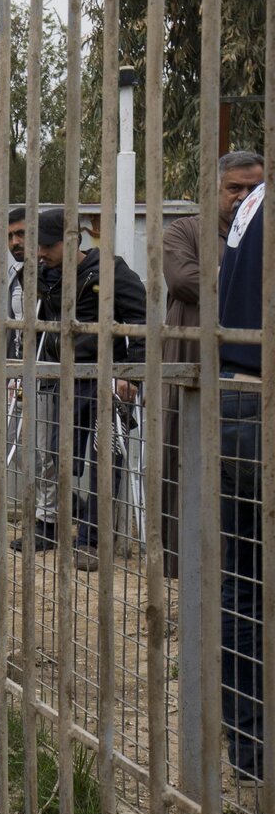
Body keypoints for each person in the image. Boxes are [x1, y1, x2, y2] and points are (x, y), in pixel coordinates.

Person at [162, 150, 264, 576]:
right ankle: (188, 573)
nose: (242, 197)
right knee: (187, 469)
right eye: (234, 188)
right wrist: (244, 276)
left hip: (246, 377)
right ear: (214, 190)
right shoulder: (185, 230)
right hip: (192, 368)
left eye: (252, 188)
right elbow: (186, 280)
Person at [35, 207, 148, 567]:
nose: (40, 252)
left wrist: (131, 375)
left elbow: (141, 321)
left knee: (104, 460)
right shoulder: (41, 274)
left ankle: (93, 542)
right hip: (61, 381)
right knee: (58, 459)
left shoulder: (110, 272)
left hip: (104, 384)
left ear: (72, 241)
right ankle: (68, 524)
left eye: (47, 245)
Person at [218, 180, 265, 781]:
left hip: (236, 393)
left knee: (243, 582)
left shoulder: (254, 200)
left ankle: (251, 753)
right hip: (260, 397)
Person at [5, 204, 61, 548]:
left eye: (23, 233)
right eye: (11, 235)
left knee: (44, 452)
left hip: (48, 374)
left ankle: (48, 523)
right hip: (24, 373)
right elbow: (16, 331)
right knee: (26, 449)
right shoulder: (17, 274)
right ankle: (52, 510)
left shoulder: (49, 276)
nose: (16, 241)